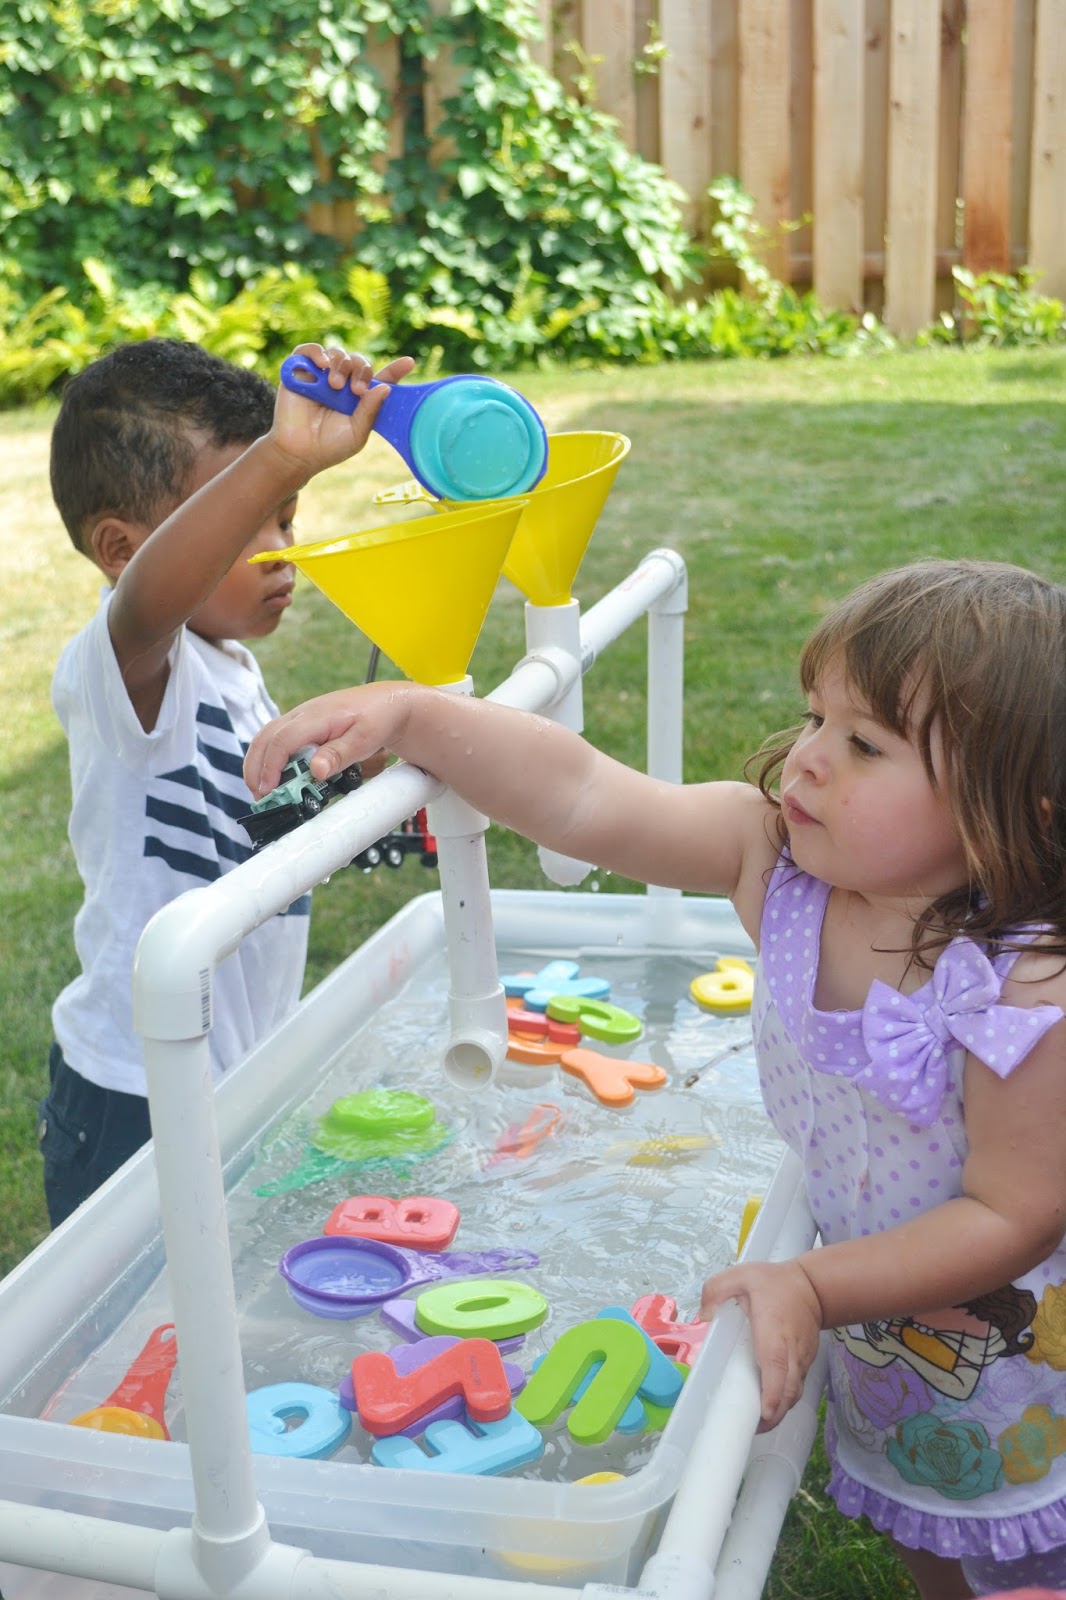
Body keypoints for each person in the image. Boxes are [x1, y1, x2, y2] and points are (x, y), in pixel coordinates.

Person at [244, 558, 1066, 1599]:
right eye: (815, 717)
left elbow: (1013, 1213)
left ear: (1015, 812)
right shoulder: (779, 870)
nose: (809, 759)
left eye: (865, 744)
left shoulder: (1022, 987)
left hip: (1027, 1372)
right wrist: (417, 716)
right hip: (891, 1345)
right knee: (930, 1535)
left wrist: (812, 1284)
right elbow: (585, 793)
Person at [42, 337, 413, 1228]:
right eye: (248, 522)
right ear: (121, 549)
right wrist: (282, 453)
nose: (283, 552)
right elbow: (149, 603)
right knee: (141, 1312)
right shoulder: (124, 667)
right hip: (135, 1091)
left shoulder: (232, 669)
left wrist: (354, 768)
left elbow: (261, 826)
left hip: (235, 1060)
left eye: (287, 517)